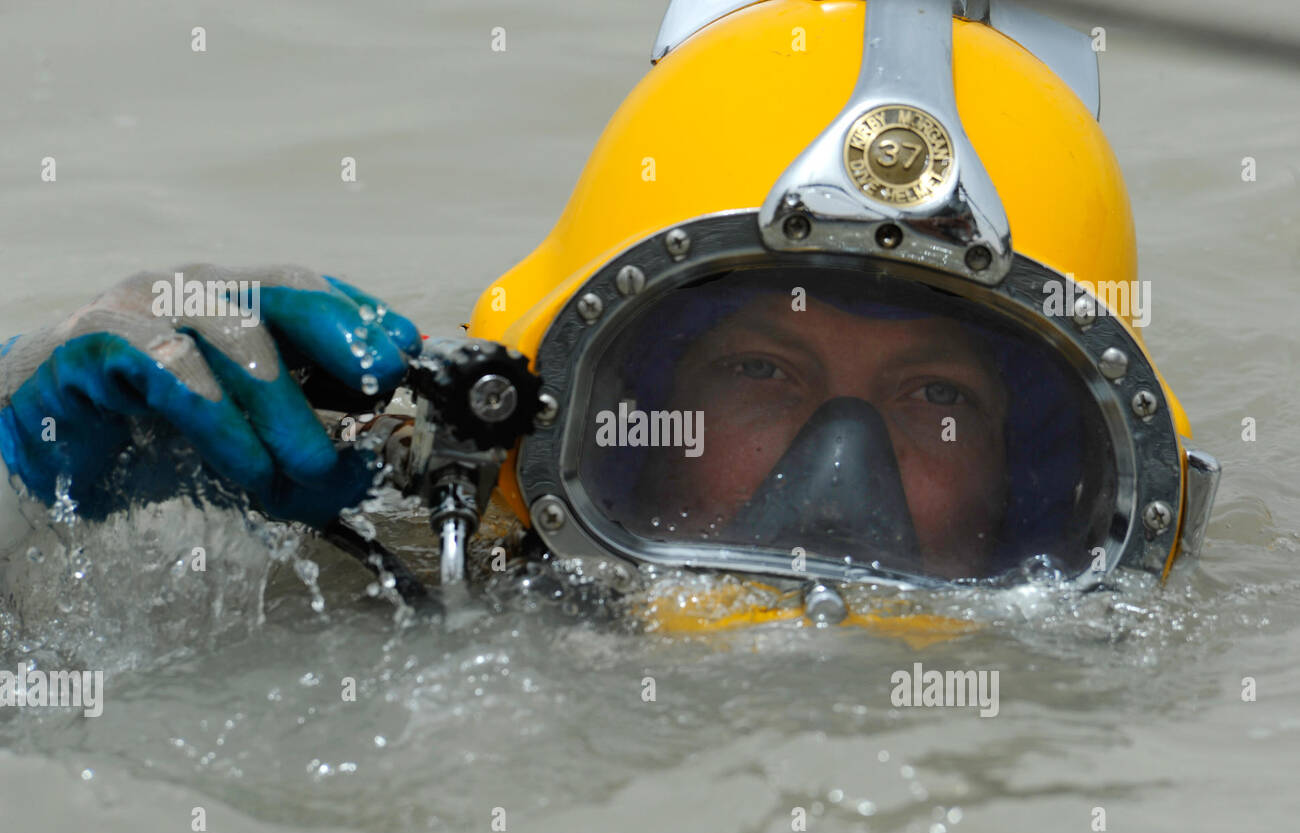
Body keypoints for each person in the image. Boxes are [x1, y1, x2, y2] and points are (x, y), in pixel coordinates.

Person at [0, 0, 1220, 630]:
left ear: (1054, 480)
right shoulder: (405, 604)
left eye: (936, 398)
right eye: (761, 370)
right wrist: (20, 480)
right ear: (597, 409)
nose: (838, 469)